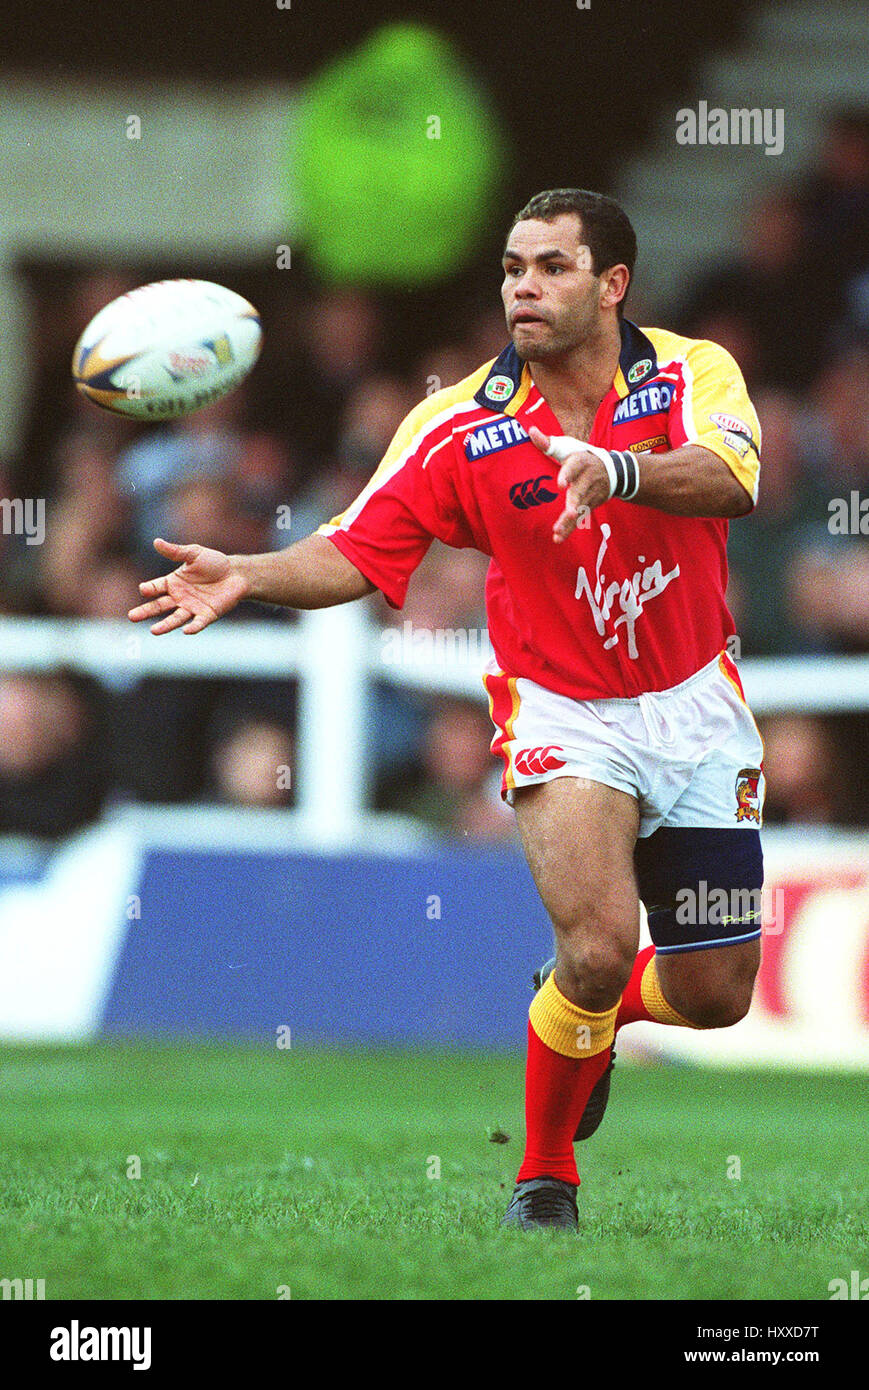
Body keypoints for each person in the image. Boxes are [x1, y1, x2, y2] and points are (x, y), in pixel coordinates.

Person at [129, 189, 765, 1233]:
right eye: (513, 266)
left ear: (612, 285)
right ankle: (544, 1181)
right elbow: (356, 544)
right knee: (599, 944)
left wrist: (612, 471)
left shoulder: (693, 371)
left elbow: (731, 474)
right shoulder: (458, 424)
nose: (523, 285)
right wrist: (248, 570)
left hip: (695, 701)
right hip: (562, 707)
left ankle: (573, 1012)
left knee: (713, 992)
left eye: (551, 266)